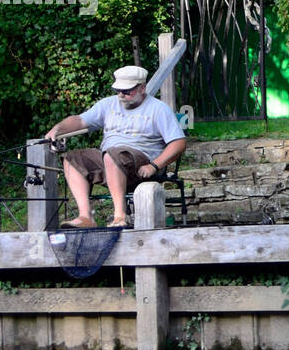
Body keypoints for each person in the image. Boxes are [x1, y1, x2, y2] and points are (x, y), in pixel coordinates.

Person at [44, 65, 186, 228]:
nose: (121, 95)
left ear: (142, 88)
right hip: (109, 160)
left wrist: (155, 165)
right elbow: (79, 120)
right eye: (118, 90)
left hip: (142, 164)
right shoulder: (108, 104)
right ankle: (86, 217)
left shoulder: (159, 109)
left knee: (112, 155)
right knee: (72, 158)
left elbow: (178, 143)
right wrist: (57, 129)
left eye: (127, 91)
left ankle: (120, 216)